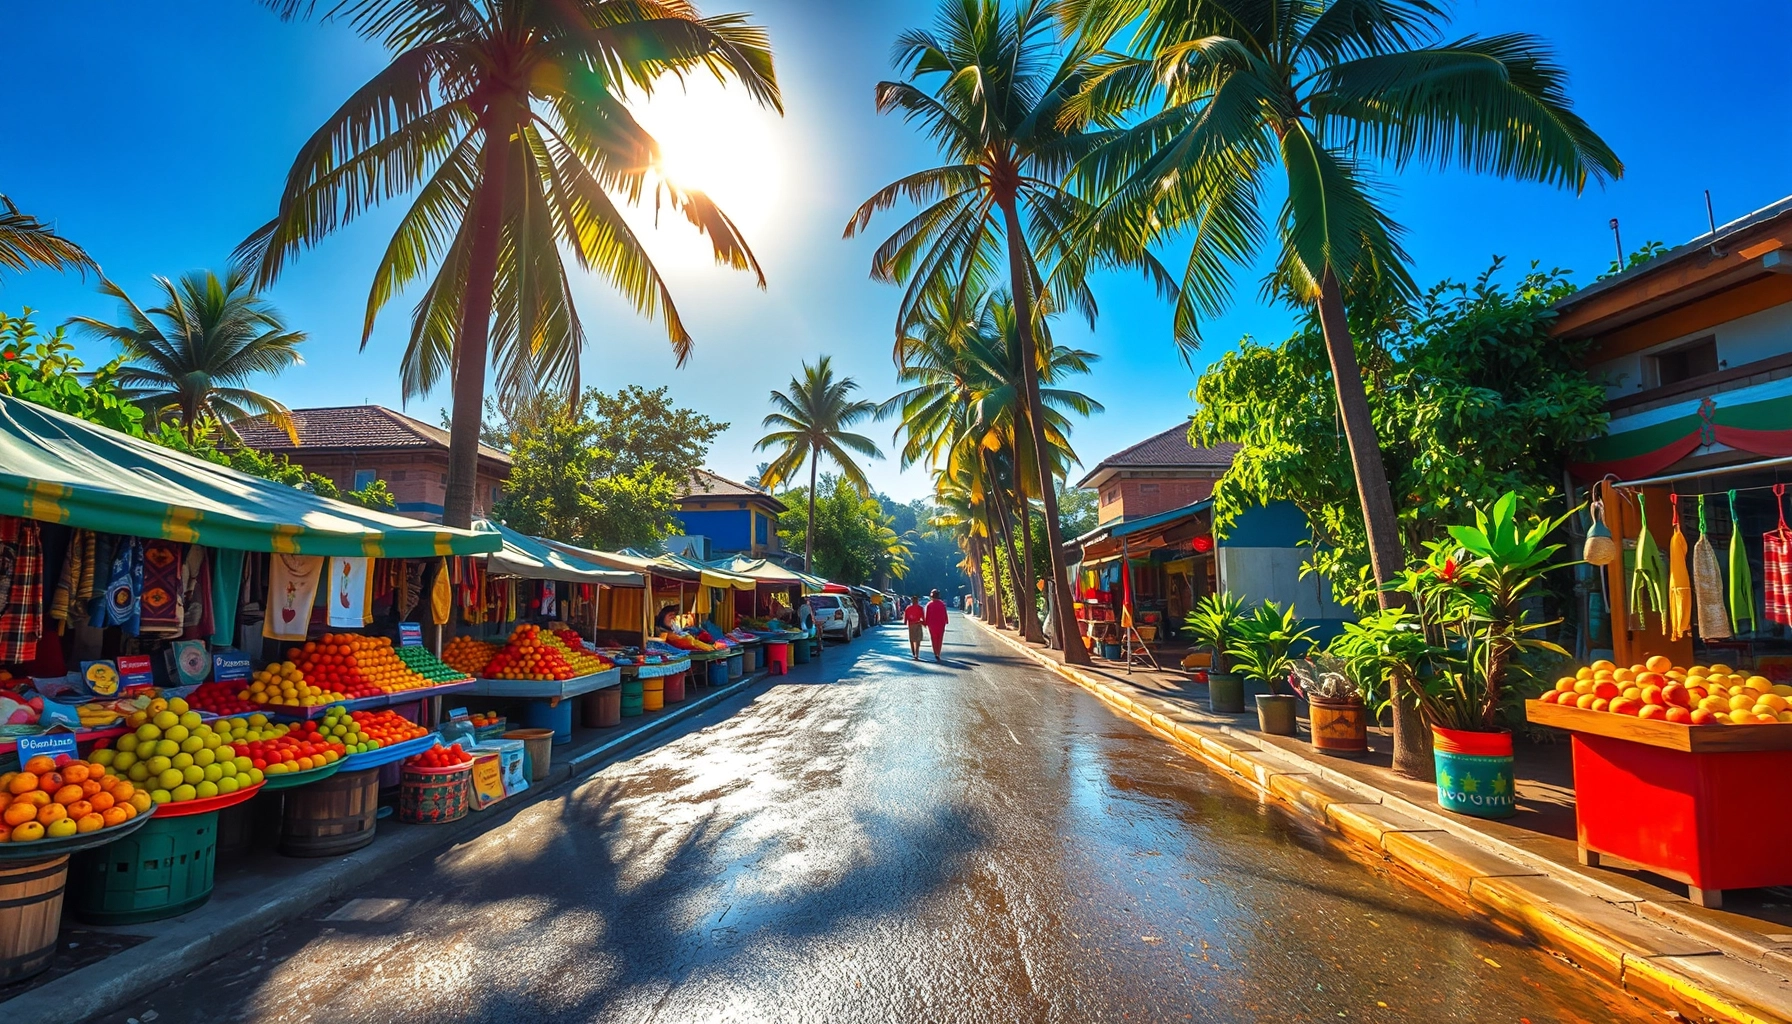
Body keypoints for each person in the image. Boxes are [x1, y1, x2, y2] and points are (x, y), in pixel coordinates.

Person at [924, 588, 949, 662]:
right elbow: (945, 614)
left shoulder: (929, 604)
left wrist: (925, 623)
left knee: (933, 638)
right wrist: (946, 621)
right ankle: (938, 652)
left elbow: (927, 615)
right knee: (940, 639)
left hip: (932, 624)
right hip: (941, 624)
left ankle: (936, 653)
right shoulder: (942, 604)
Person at [902, 595, 925, 660]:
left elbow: (905, 617)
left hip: (911, 625)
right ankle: (916, 654)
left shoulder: (908, 608)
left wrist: (905, 622)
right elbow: (923, 618)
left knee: (912, 639)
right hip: (918, 624)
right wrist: (924, 623)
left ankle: (914, 652)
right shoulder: (920, 608)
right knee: (917, 640)